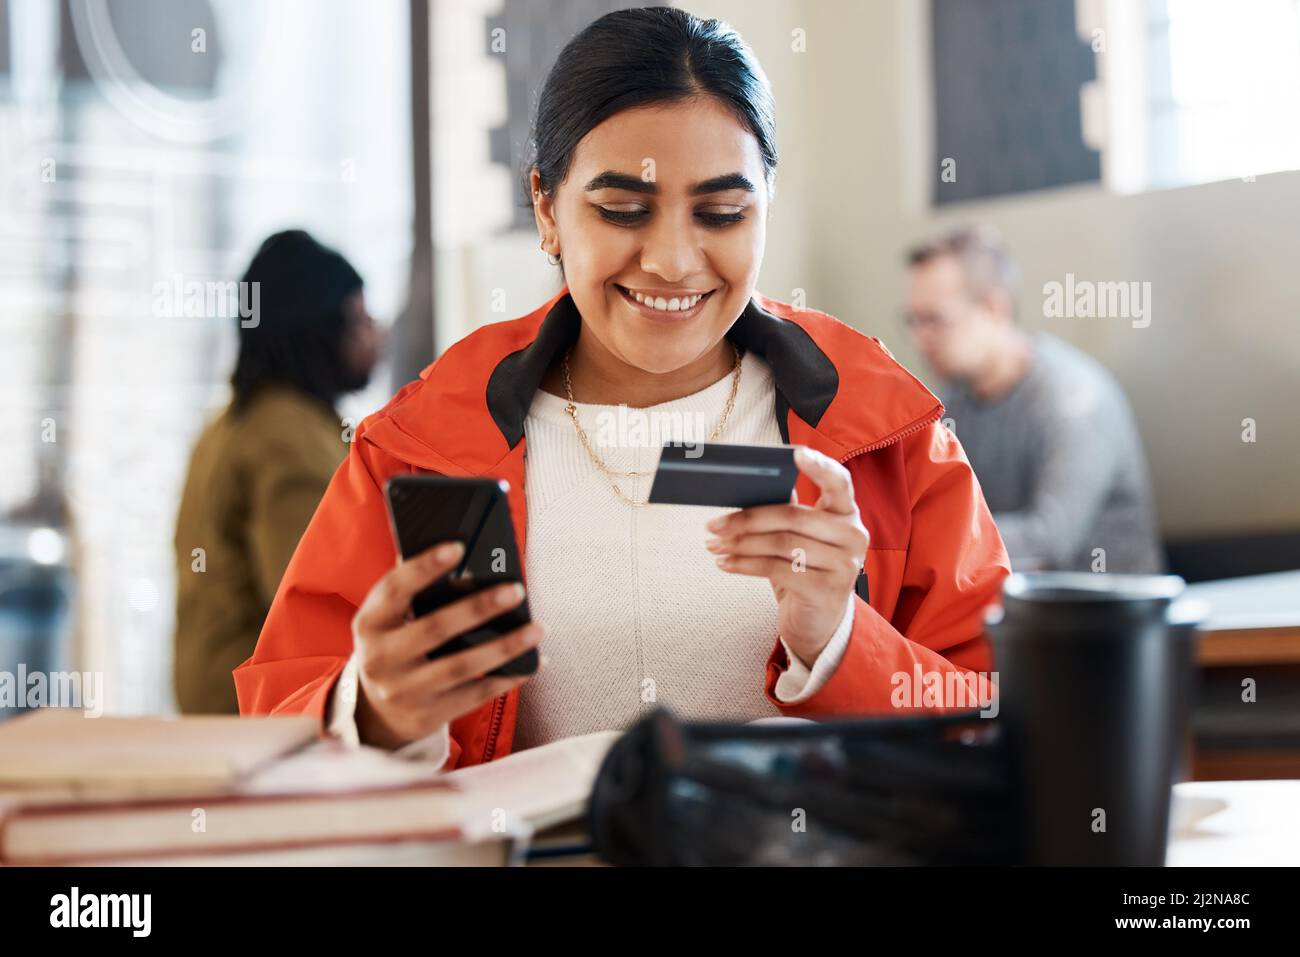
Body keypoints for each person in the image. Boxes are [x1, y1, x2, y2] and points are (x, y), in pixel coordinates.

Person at [235, 7, 1010, 768]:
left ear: (765, 204)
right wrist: (373, 711)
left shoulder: (889, 428)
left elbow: (998, 720)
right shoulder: (417, 444)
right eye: (622, 210)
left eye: (722, 212)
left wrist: (841, 641)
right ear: (546, 208)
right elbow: (276, 720)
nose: (674, 259)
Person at [173, 230, 384, 713]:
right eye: (359, 318)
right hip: (263, 720)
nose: (376, 332)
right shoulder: (289, 440)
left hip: (218, 708)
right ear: (319, 330)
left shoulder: (233, 422)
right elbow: (314, 608)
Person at [905, 226, 1163, 574]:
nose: (920, 340)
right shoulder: (951, 403)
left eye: (935, 320)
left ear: (995, 308)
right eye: (914, 321)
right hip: (1018, 615)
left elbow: (1050, 539)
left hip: (1106, 618)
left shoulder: (1073, 396)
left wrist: (927, 539)